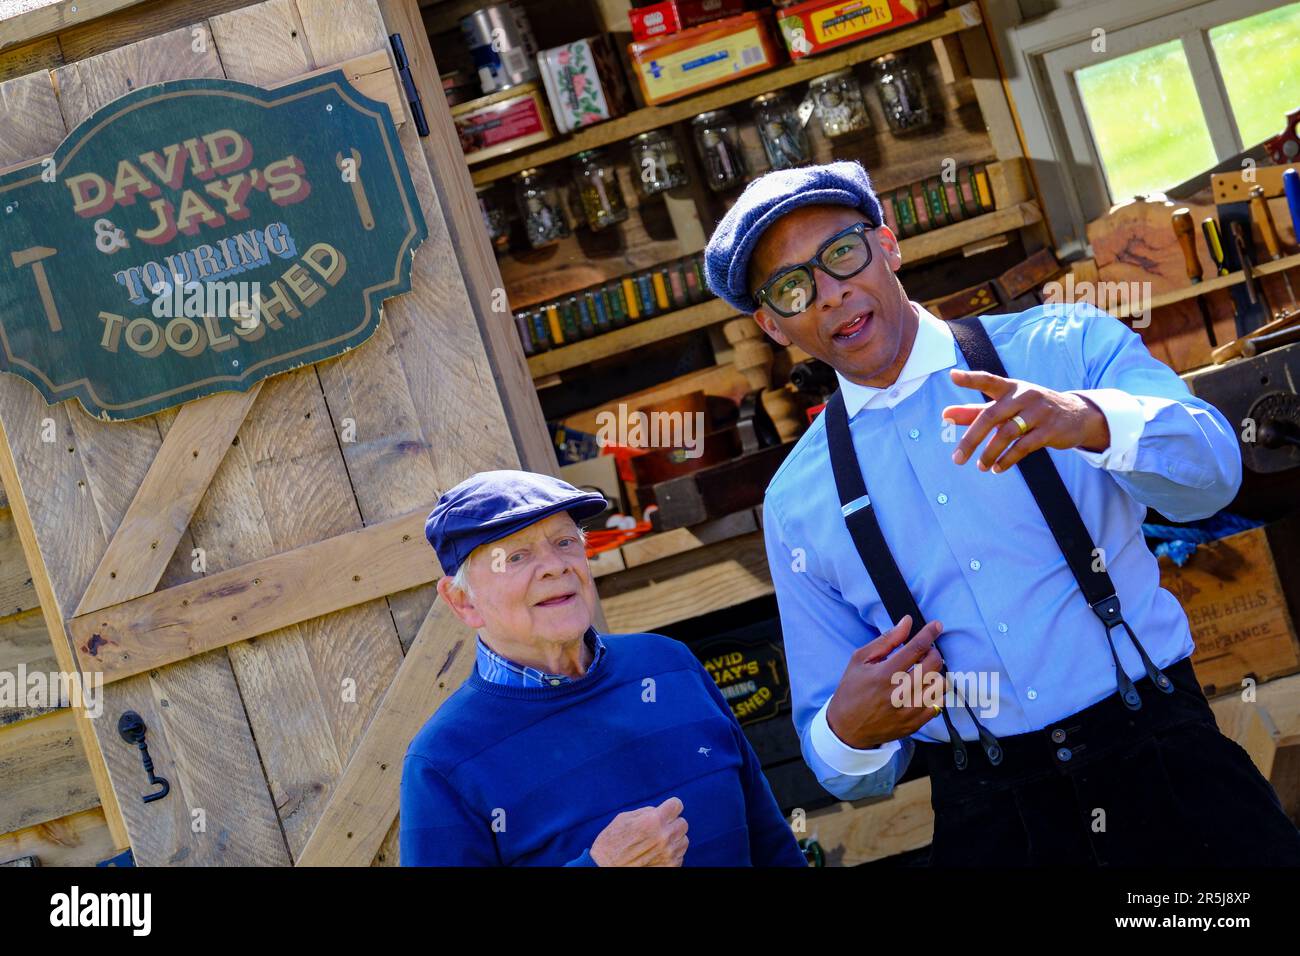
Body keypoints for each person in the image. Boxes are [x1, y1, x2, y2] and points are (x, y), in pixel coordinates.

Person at [702, 159, 1300, 865]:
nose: (831, 294)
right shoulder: (797, 502)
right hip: (992, 821)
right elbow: (839, 762)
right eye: (794, 287)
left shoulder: (1062, 346)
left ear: (887, 245)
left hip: (1168, 771)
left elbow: (1212, 476)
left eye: (841, 254)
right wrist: (849, 729)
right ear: (773, 325)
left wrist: (1089, 421)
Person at [399, 469, 806, 867]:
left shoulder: (669, 665)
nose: (555, 566)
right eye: (517, 556)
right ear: (462, 601)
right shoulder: (442, 761)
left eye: (564, 542)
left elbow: (772, 846)